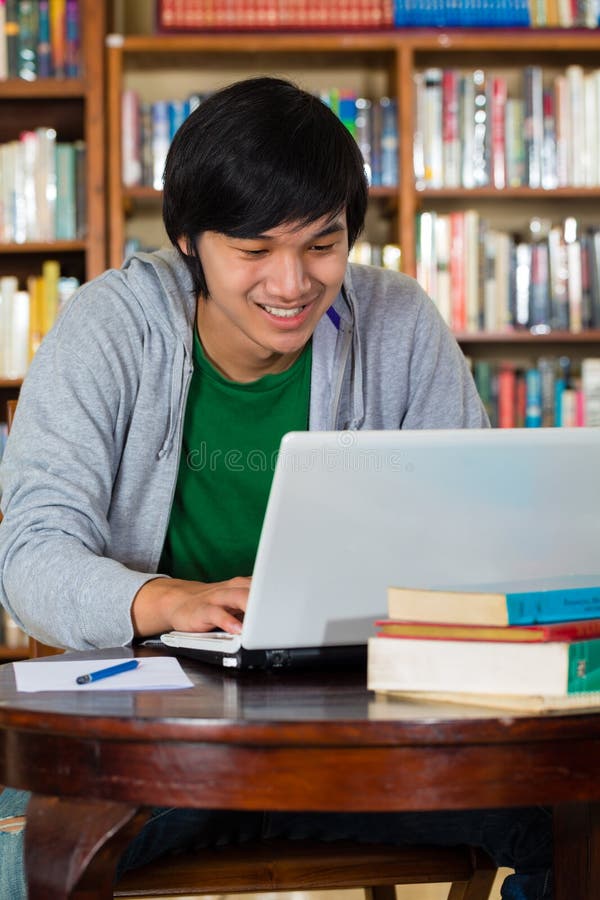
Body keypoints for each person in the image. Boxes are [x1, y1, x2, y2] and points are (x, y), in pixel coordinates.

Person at [0, 77, 551, 898]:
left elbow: (473, 541)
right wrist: (169, 601)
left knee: (573, 823)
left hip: (366, 737)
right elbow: (30, 556)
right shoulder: (109, 329)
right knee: (20, 868)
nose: (292, 285)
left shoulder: (398, 324)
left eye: (322, 246)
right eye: (254, 251)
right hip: (153, 739)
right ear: (189, 240)